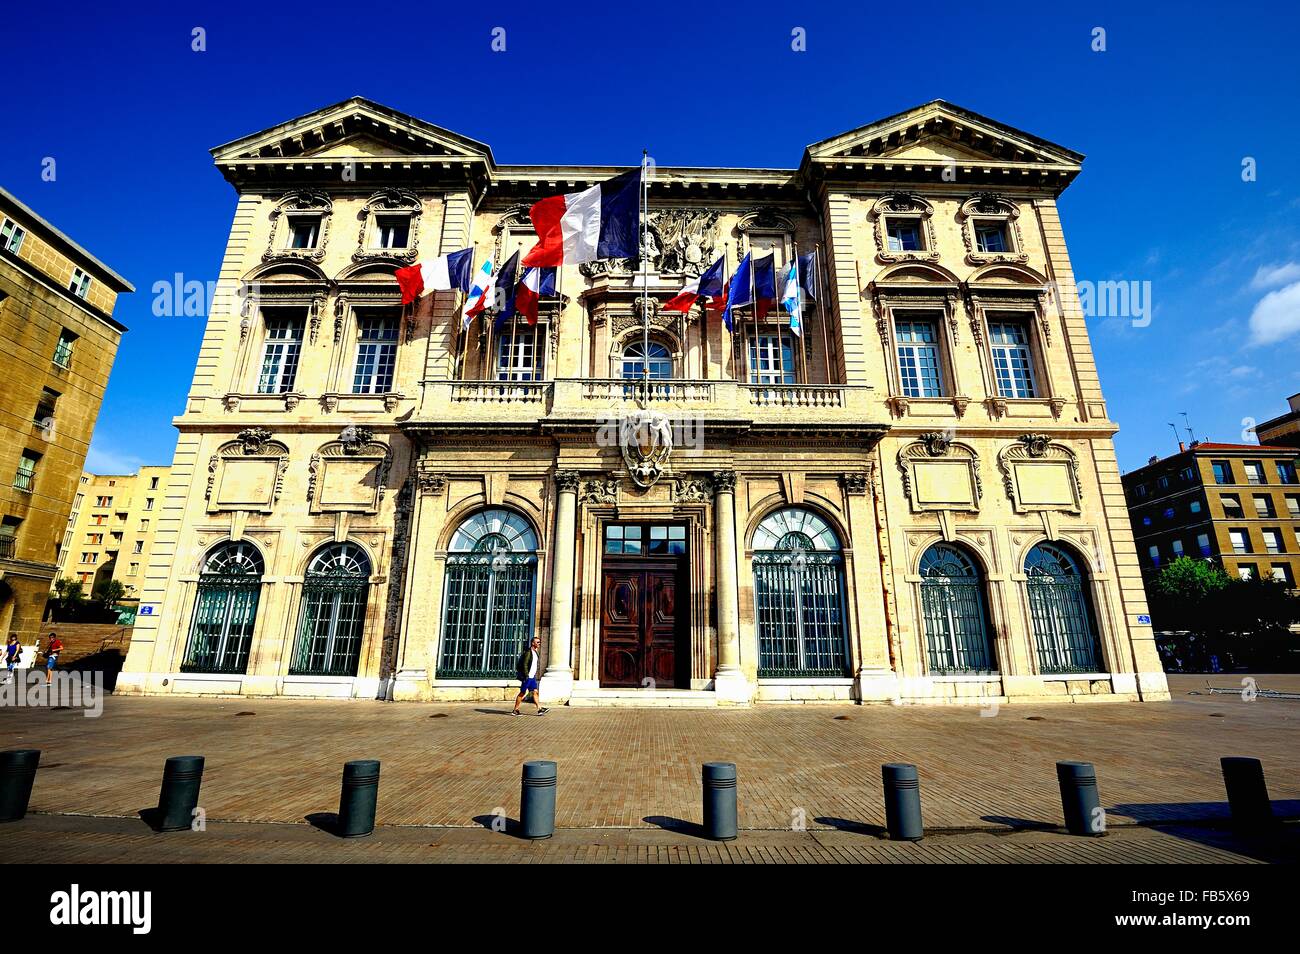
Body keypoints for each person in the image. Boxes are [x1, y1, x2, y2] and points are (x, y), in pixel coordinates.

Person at [512, 636, 548, 717]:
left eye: (539, 642)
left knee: (535, 692)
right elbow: (525, 664)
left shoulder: (535, 652)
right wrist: (526, 676)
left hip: (532, 677)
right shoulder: (528, 652)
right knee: (522, 693)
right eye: (537, 642)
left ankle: (539, 709)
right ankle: (515, 710)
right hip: (527, 677)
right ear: (533, 643)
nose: (539, 643)